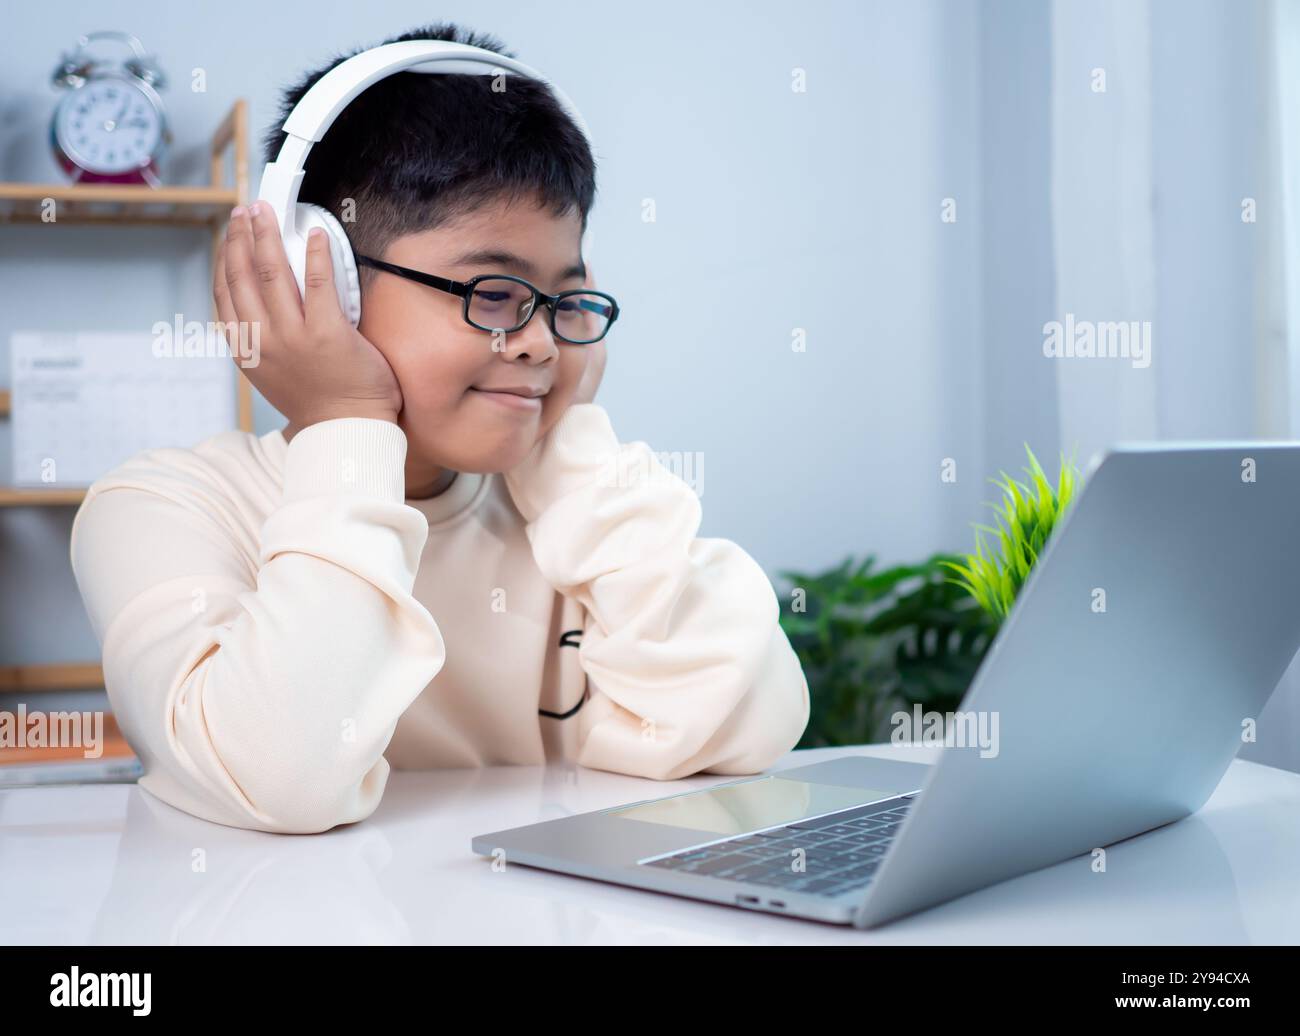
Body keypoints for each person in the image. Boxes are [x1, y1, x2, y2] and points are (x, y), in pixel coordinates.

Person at [70, 21, 810, 834]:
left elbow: (747, 728)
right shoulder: (162, 508)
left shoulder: (576, 513)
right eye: (493, 293)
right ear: (327, 280)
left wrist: (568, 442)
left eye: (563, 300)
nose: (537, 339)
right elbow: (281, 778)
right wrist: (346, 423)